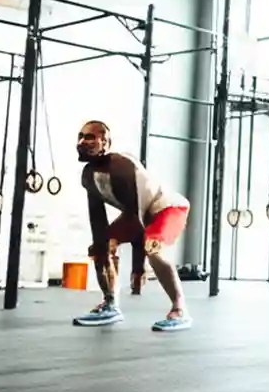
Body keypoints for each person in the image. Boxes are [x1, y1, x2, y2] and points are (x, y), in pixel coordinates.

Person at [73, 121, 192, 332]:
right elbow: (97, 219)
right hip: (138, 215)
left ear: (105, 142)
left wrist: (138, 268)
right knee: (100, 247)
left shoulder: (122, 167)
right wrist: (101, 247)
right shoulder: (88, 176)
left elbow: (137, 224)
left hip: (169, 208)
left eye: (90, 137)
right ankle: (110, 304)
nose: (83, 142)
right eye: (81, 136)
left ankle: (180, 308)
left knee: (153, 247)